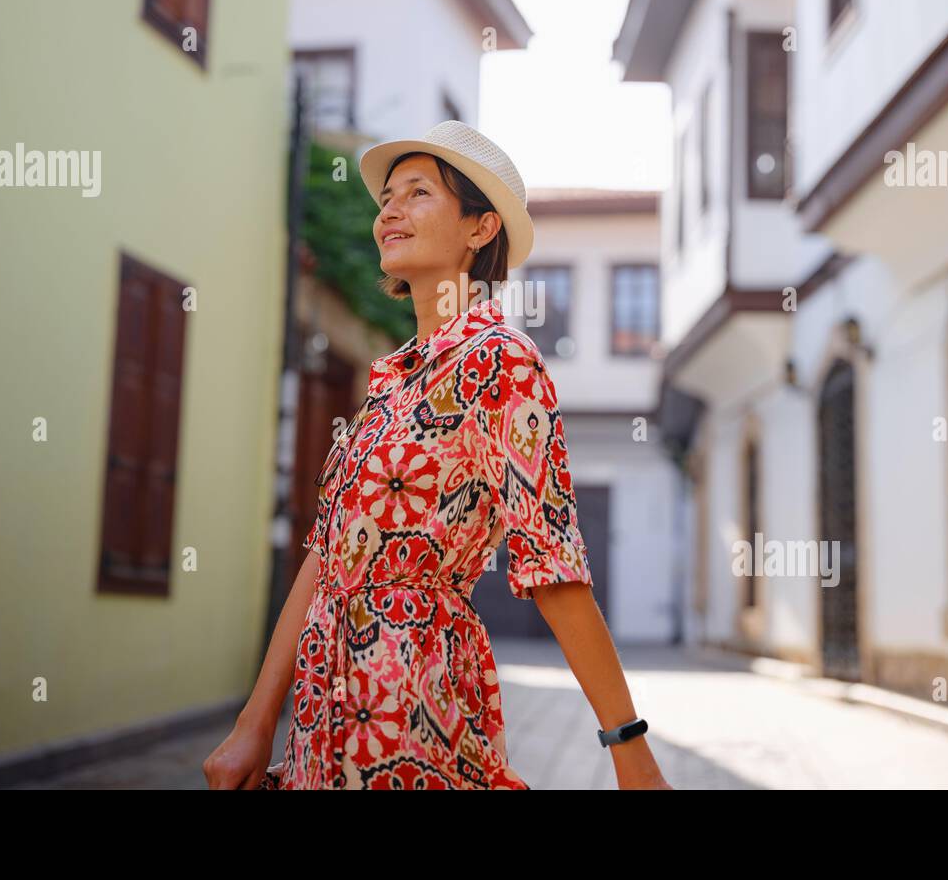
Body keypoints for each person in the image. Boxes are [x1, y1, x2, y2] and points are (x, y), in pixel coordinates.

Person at [203, 121, 670, 790]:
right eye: (387, 196)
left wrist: (629, 748)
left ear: (481, 228)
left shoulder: (501, 363)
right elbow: (327, 553)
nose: (389, 210)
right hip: (324, 722)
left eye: (418, 193)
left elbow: (553, 565)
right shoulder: (388, 383)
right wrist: (254, 722)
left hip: (415, 707)